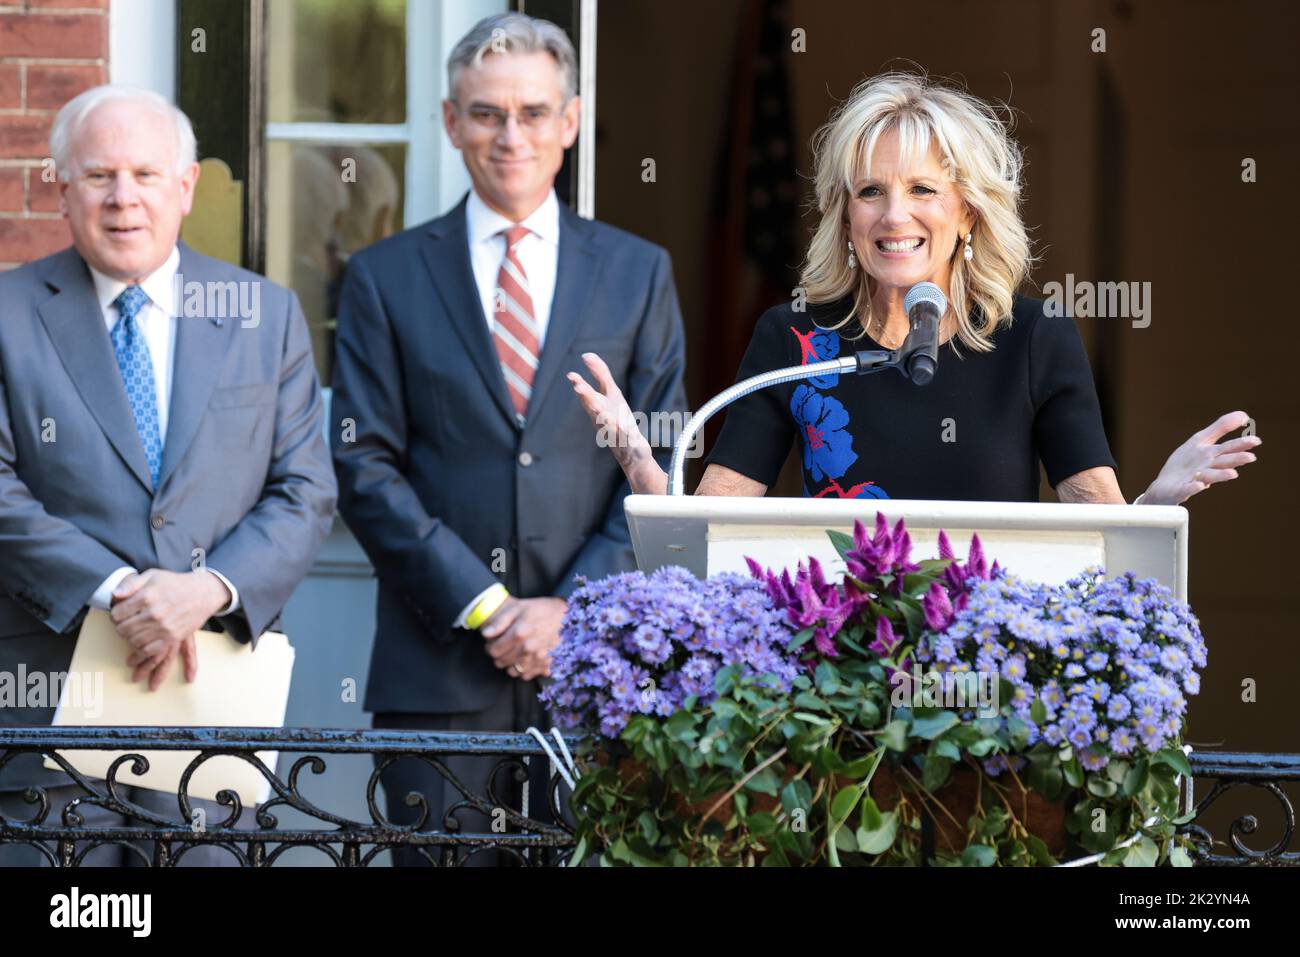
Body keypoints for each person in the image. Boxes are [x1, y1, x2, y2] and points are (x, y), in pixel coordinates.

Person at [330, 12, 687, 865]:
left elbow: (664, 458)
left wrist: (570, 610)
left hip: (601, 672)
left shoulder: (639, 273)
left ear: (569, 122)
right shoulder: (384, 277)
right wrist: (490, 607)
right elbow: (363, 464)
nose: (510, 134)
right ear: (451, 122)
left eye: (533, 112)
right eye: (486, 112)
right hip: (437, 674)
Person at [570, 72, 1260, 504]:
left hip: (988, 687)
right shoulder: (794, 337)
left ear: (967, 213)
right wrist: (638, 461)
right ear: (845, 217)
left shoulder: (1036, 338)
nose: (895, 215)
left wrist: (1159, 501)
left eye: (924, 189)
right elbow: (709, 535)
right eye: (871, 191)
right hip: (831, 691)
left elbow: (1106, 545)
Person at [0, 85, 337, 865]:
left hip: (210, 713)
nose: (124, 199)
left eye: (147, 175)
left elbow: (305, 488)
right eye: (99, 175)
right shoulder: (10, 312)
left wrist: (207, 588)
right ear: (60, 188)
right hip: (47, 716)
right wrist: (118, 588)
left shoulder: (264, 313)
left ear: (185, 188)